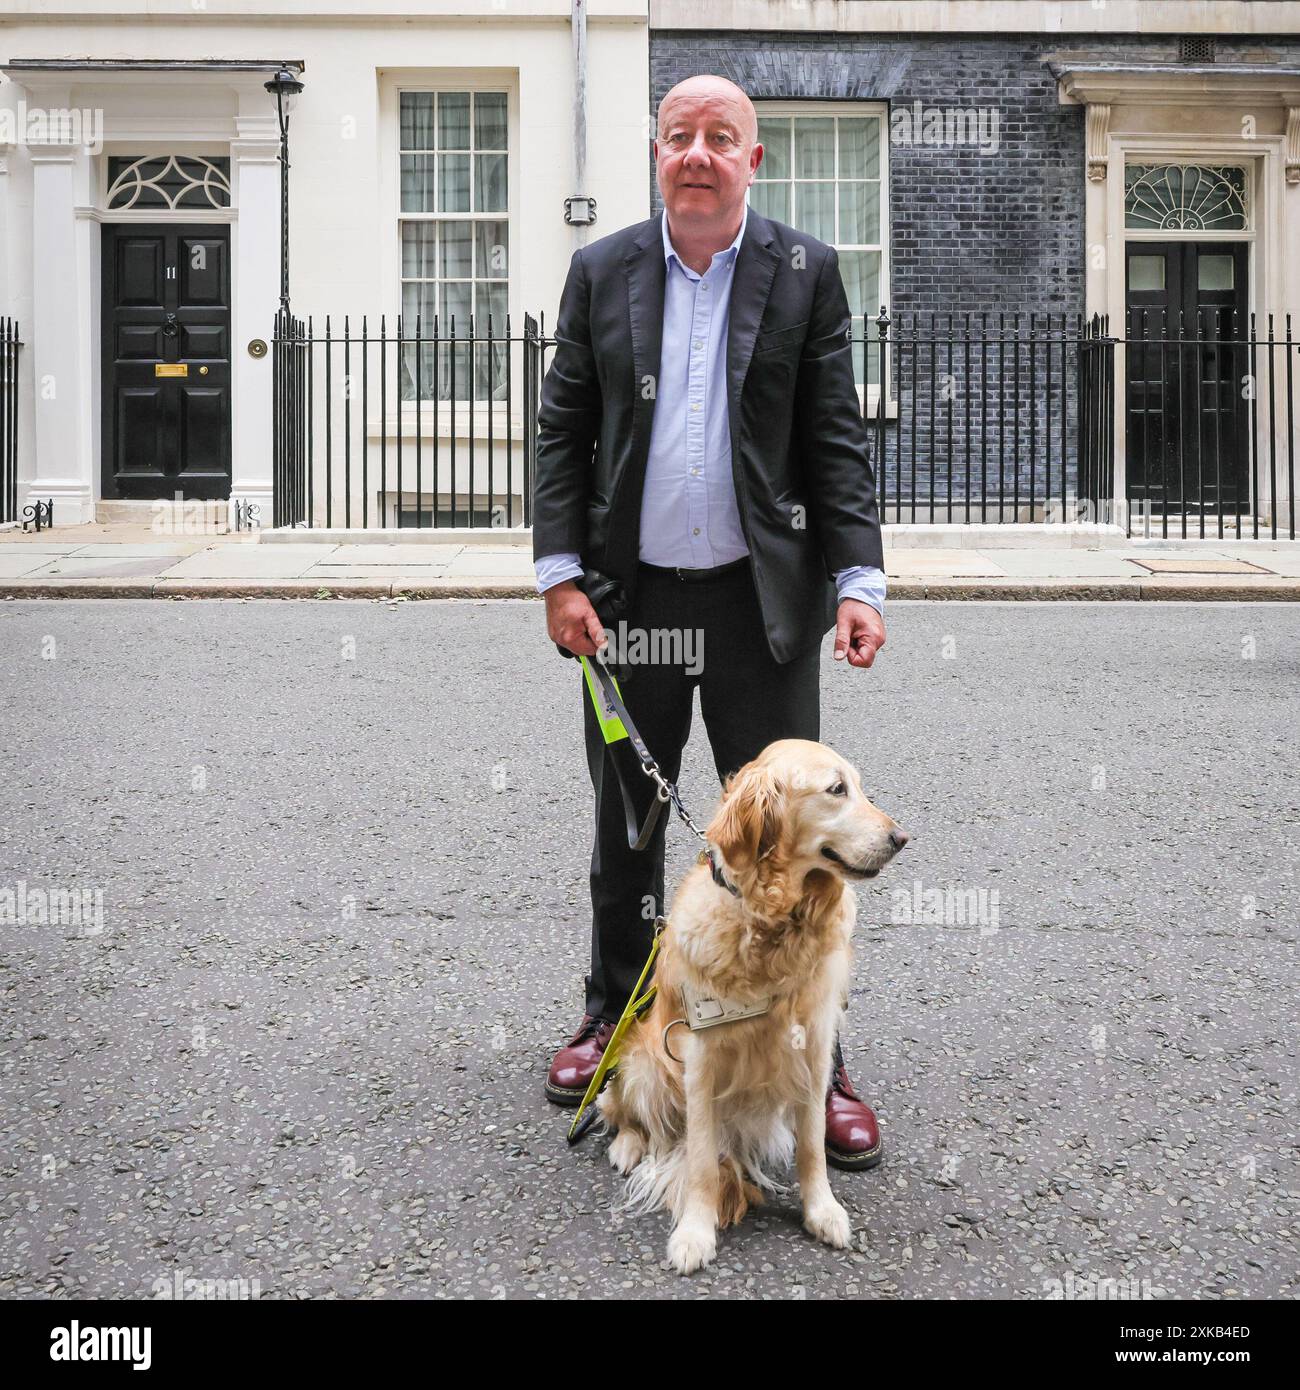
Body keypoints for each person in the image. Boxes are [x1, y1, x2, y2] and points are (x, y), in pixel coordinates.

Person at [533, 74, 888, 1169]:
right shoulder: (602, 271)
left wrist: (857, 582)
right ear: (656, 155)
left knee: (793, 844)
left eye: (718, 138)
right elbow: (565, 428)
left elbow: (834, 439)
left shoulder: (803, 274)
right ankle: (615, 1014)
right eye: (678, 136)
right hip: (630, 603)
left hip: (758, 605)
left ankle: (816, 1061)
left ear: (752, 160)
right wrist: (560, 574)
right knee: (630, 825)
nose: (697, 153)